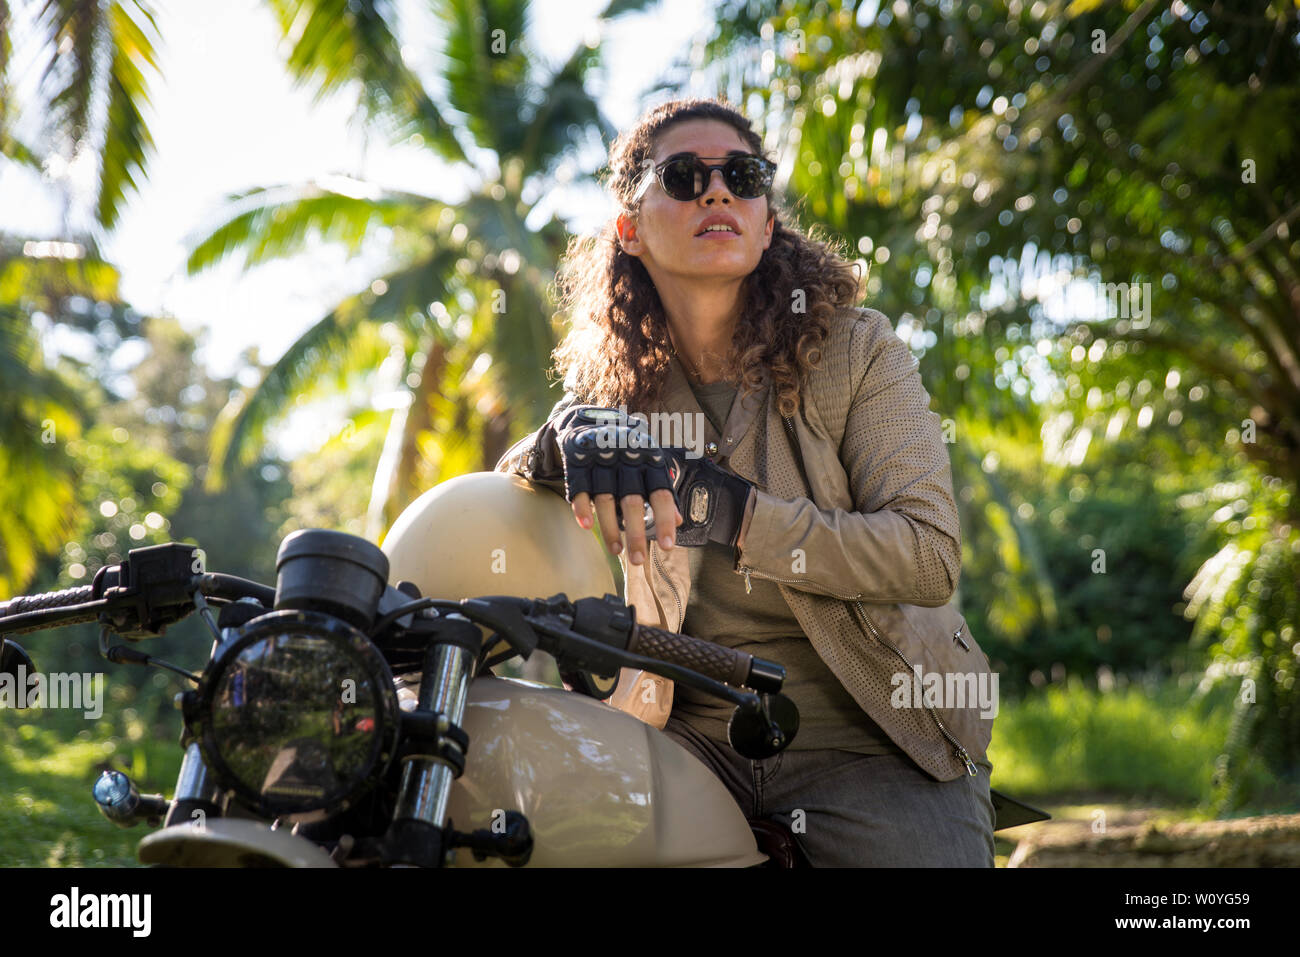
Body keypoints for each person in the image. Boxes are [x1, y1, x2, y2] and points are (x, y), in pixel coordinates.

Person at [497, 97, 997, 867]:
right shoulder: (610, 399)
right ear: (628, 229)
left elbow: (927, 556)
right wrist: (559, 437)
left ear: (766, 223)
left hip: (874, 737)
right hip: (680, 739)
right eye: (684, 176)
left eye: (743, 175)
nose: (718, 191)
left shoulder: (861, 352)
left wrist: (731, 512)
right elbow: (501, 504)